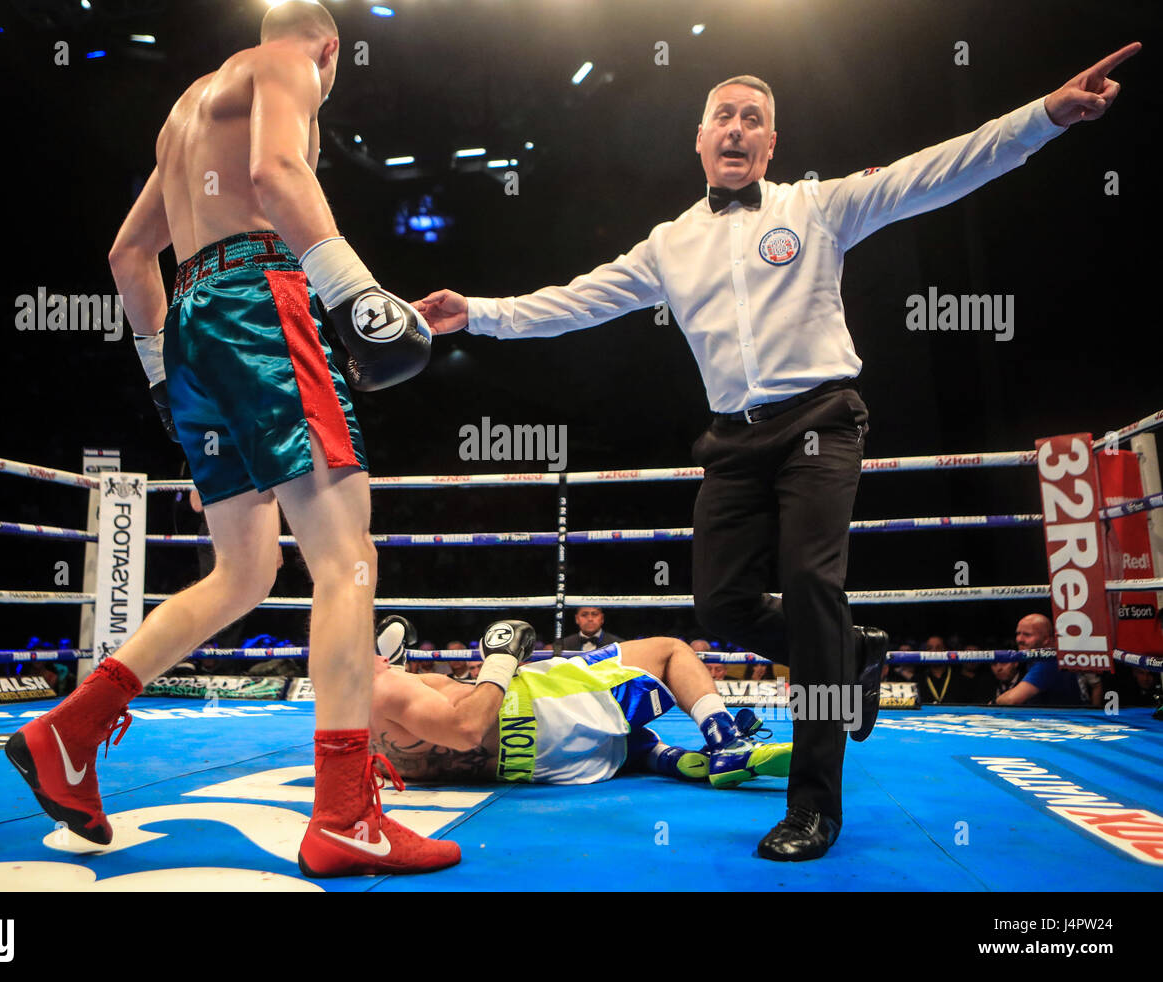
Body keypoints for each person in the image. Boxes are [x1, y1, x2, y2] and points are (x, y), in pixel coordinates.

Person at [415, 43, 1139, 859]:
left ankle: (814, 808)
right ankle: (851, 653)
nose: (735, 129)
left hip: (822, 420)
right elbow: (574, 302)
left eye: (751, 119)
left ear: (769, 144)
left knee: (810, 586)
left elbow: (935, 171)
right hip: (731, 440)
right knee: (720, 607)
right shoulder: (669, 243)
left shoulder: (816, 207)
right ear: (698, 139)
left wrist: (1043, 117)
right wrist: (475, 312)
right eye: (722, 116)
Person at [5, 0, 452, 879]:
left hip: (192, 326)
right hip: (259, 300)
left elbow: (129, 257)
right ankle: (346, 817)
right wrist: (356, 296)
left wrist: (167, 376)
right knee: (346, 561)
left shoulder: (187, 110)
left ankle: (70, 730)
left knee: (246, 572)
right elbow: (281, 171)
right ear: (332, 49)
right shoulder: (289, 62)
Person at [372, 617, 791, 791]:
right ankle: (727, 745)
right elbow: (465, 729)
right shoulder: (380, 686)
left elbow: (415, 737)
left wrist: (397, 668)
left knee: (630, 744)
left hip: (546, 766)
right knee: (671, 650)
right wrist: (500, 660)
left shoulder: (350, 737)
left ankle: (668, 758)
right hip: (551, 705)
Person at [995, 614, 1087, 707]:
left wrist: (994, 702)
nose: (1019, 639)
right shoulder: (1034, 658)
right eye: (1018, 633)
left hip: (1058, 719)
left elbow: (1011, 700)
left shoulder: (1049, 662)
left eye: (1027, 635)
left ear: (1046, 639)